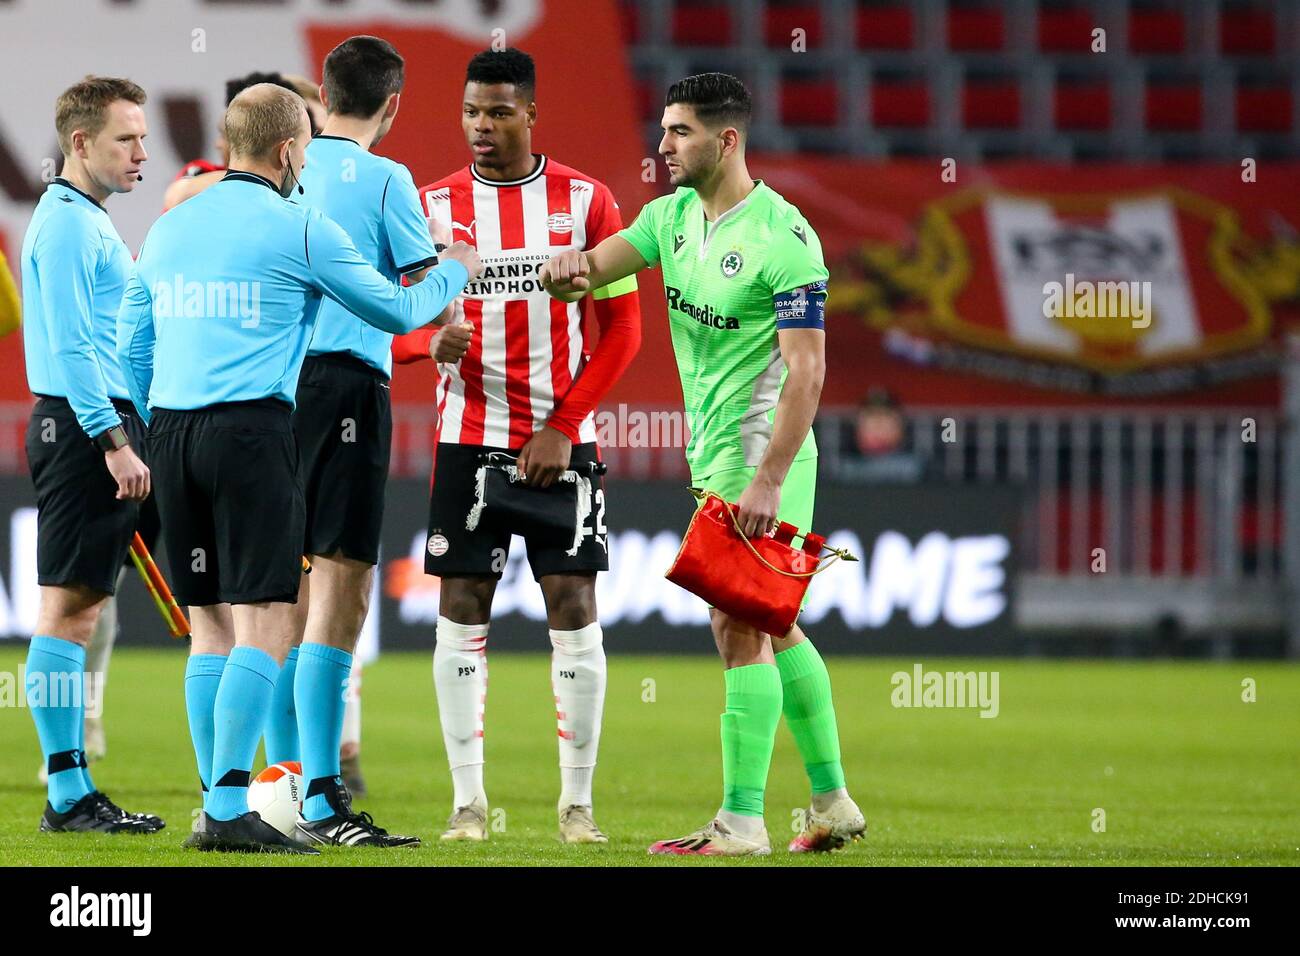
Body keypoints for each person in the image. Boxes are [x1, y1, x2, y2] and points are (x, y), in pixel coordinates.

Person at [116, 83, 480, 853]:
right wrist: (454, 268)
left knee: (208, 628)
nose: (307, 165)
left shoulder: (171, 225)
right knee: (272, 619)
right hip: (250, 434)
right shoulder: (298, 227)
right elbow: (397, 311)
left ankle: (218, 804)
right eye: (306, 152)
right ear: (287, 150)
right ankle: (225, 808)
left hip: (170, 433)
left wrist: (154, 424)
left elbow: (131, 341)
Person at [541, 73, 864, 856]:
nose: (662, 147)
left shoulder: (785, 238)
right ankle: (832, 802)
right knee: (772, 624)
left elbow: (808, 372)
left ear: (726, 140)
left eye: (678, 132)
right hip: (717, 455)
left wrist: (767, 478)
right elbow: (597, 264)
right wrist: (561, 267)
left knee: (738, 624)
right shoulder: (672, 218)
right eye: (661, 131)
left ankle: (743, 820)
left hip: (764, 460)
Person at [391, 47, 641, 844]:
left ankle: (578, 808)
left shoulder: (587, 201)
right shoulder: (429, 207)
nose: (482, 127)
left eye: (499, 112)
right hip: (468, 443)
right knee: (462, 609)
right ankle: (468, 805)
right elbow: (386, 325)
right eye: (471, 112)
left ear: (532, 114)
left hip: (563, 445)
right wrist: (428, 344)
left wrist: (563, 428)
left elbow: (624, 331)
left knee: (573, 607)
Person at [283, 34, 440, 847]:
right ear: (392, 106)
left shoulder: (283, 169)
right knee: (341, 594)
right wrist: (458, 261)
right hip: (346, 386)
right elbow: (418, 288)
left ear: (322, 92)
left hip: (269, 392)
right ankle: (321, 795)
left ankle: (264, 788)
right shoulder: (387, 178)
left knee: (278, 595)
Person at [19, 75, 163, 834]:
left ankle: (72, 790)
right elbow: (75, 347)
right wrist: (112, 440)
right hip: (83, 432)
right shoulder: (71, 224)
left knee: (79, 610)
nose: (144, 151)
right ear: (81, 143)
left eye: (142, 135)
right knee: (69, 614)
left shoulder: (84, 217)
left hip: (91, 424)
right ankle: (69, 795)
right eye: (125, 139)